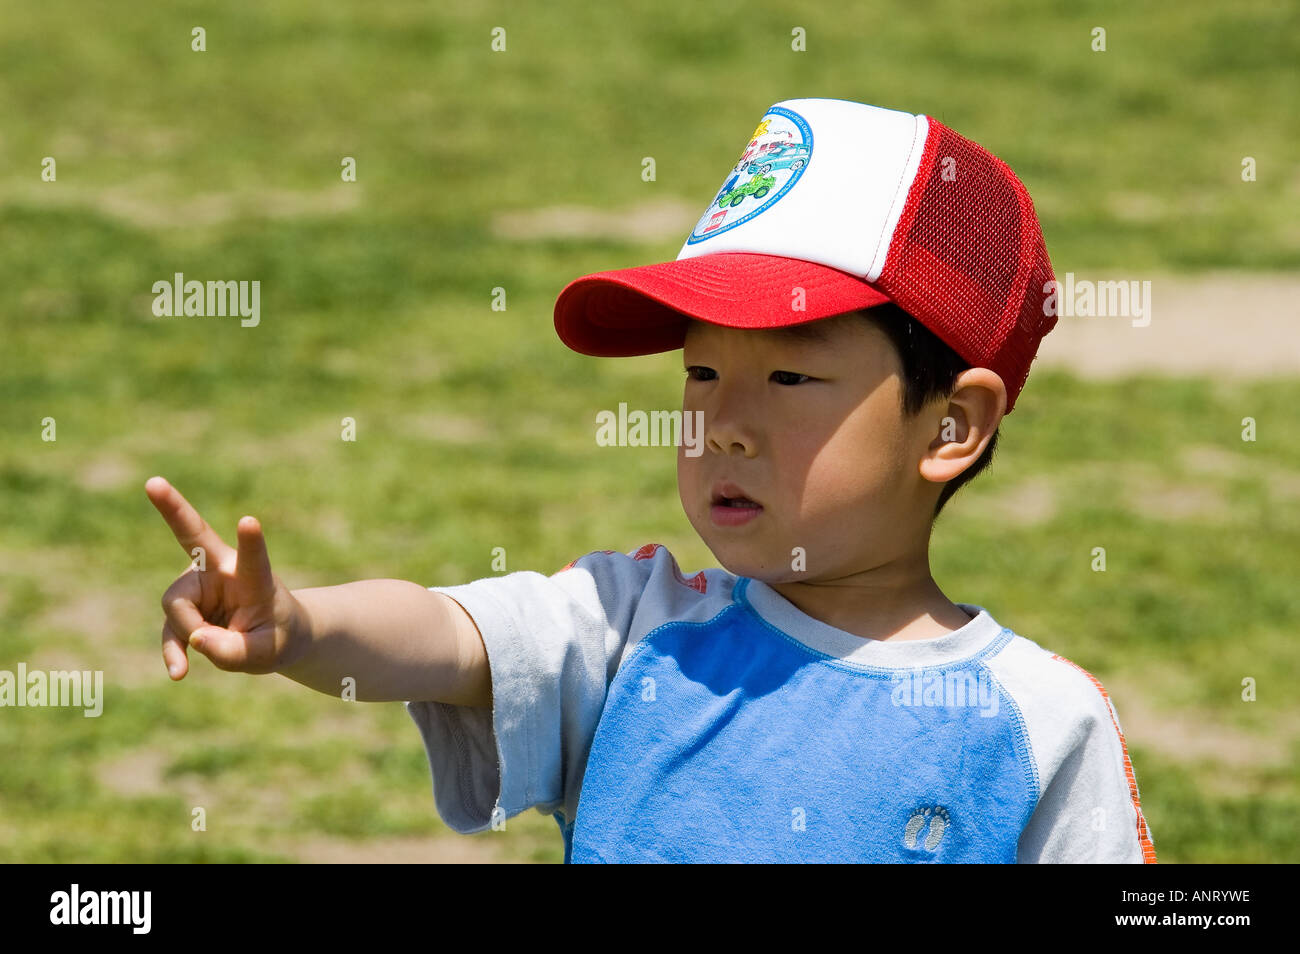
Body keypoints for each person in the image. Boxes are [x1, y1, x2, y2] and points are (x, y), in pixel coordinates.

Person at [147, 98, 1156, 863]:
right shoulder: (637, 632)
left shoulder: (1038, 722)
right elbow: (446, 638)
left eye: (789, 375)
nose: (724, 423)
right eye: (702, 372)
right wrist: (305, 627)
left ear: (951, 424)